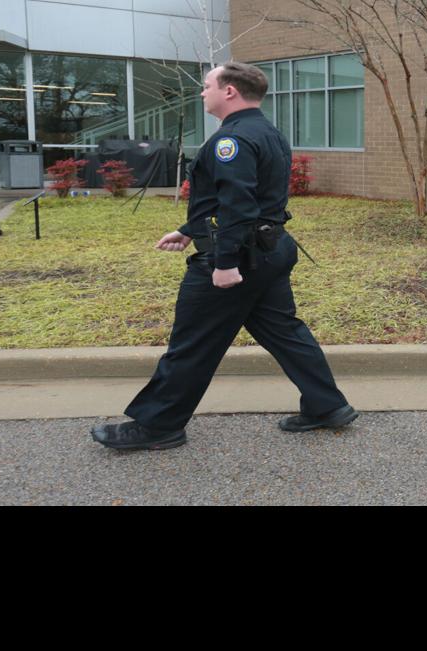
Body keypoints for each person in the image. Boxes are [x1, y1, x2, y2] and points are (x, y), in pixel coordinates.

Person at [91, 62, 354, 451]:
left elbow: (238, 204)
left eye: (207, 85)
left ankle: (158, 425)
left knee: (193, 341)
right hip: (270, 249)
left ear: (229, 91)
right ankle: (326, 405)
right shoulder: (267, 132)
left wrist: (225, 263)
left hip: (239, 257)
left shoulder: (230, 140)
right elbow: (248, 197)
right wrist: (188, 231)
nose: (203, 92)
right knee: (285, 332)